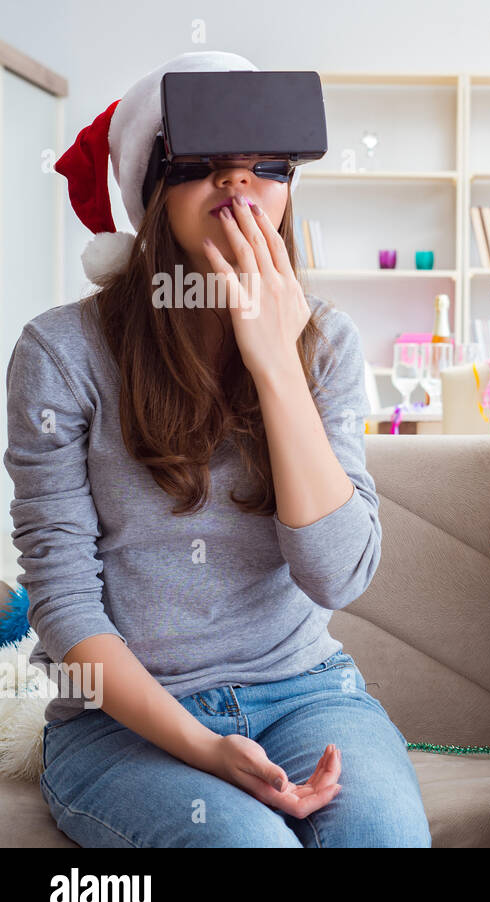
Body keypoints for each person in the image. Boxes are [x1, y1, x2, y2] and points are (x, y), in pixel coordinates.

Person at [6, 52, 429, 847]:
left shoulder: (326, 342)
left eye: (266, 165)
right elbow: (62, 604)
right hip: (122, 722)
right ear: (154, 192)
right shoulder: (59, 353)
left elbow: (337, 572)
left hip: (306, 693)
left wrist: (275, 362)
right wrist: (203, 746)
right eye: (203, 167)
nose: (240, 188)